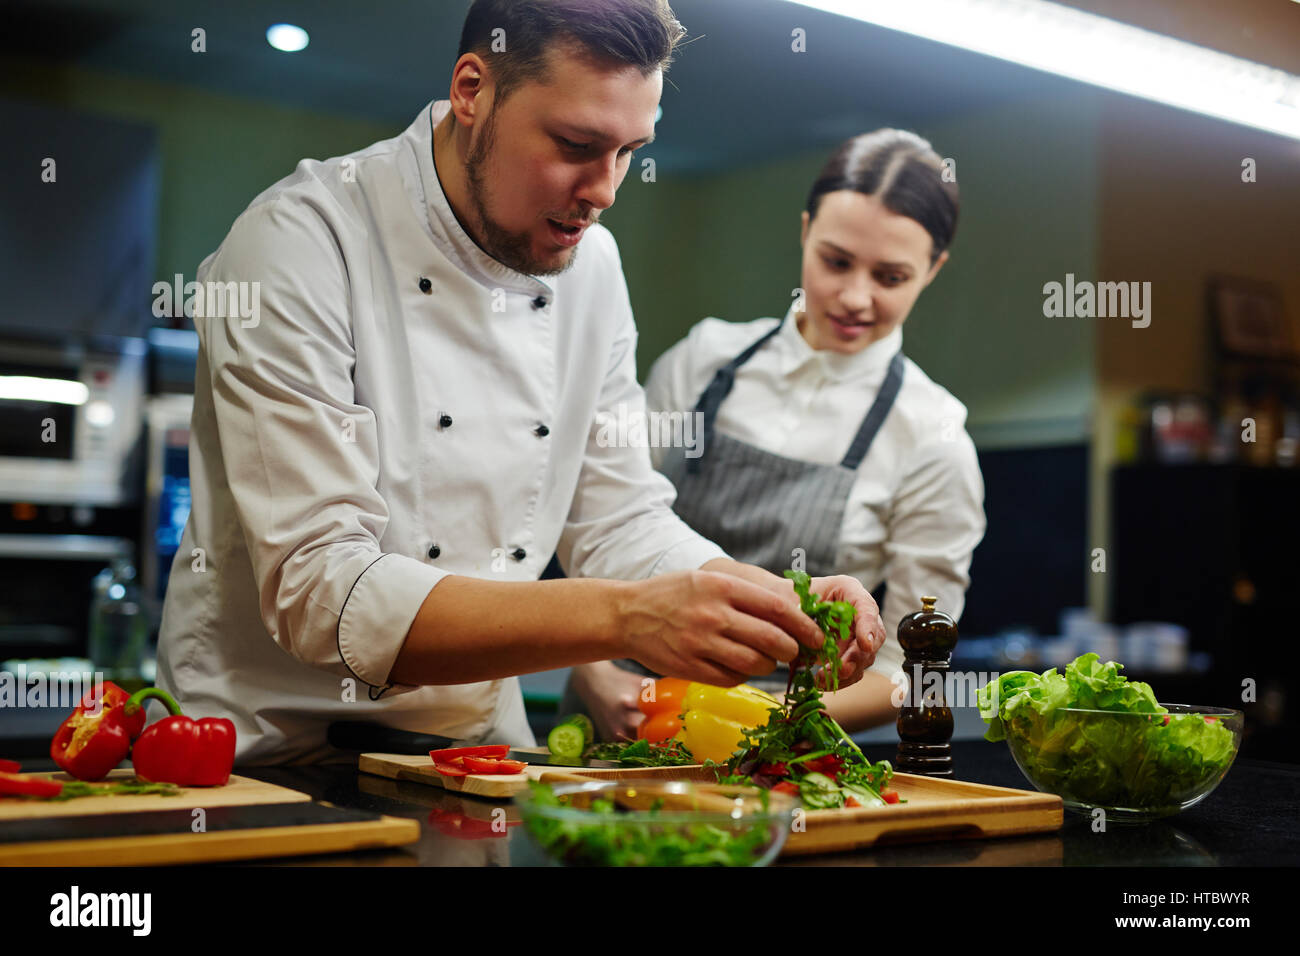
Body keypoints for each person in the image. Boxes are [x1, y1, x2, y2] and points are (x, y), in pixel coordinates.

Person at [154, 0, 888, 766]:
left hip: (472, 748)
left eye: (630, 151)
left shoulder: (591, 266)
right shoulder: (300, 245)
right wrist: (627, 616)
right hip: (265, 751)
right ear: (472, 89)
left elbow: (621, 519)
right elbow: (321, 590)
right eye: (576, 144)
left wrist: (772, 603)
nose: (604, 190)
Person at [566, 129, 986, 740]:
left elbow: (911, 674)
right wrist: (593, 672)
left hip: (782, 753)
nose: (854, 297)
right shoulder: (704, 360)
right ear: (805, 230)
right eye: (836, 261)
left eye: (891, 277)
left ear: (933, 269)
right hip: (621, 715)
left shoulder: (933, 436)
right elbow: (600, 528)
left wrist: (747, 726)